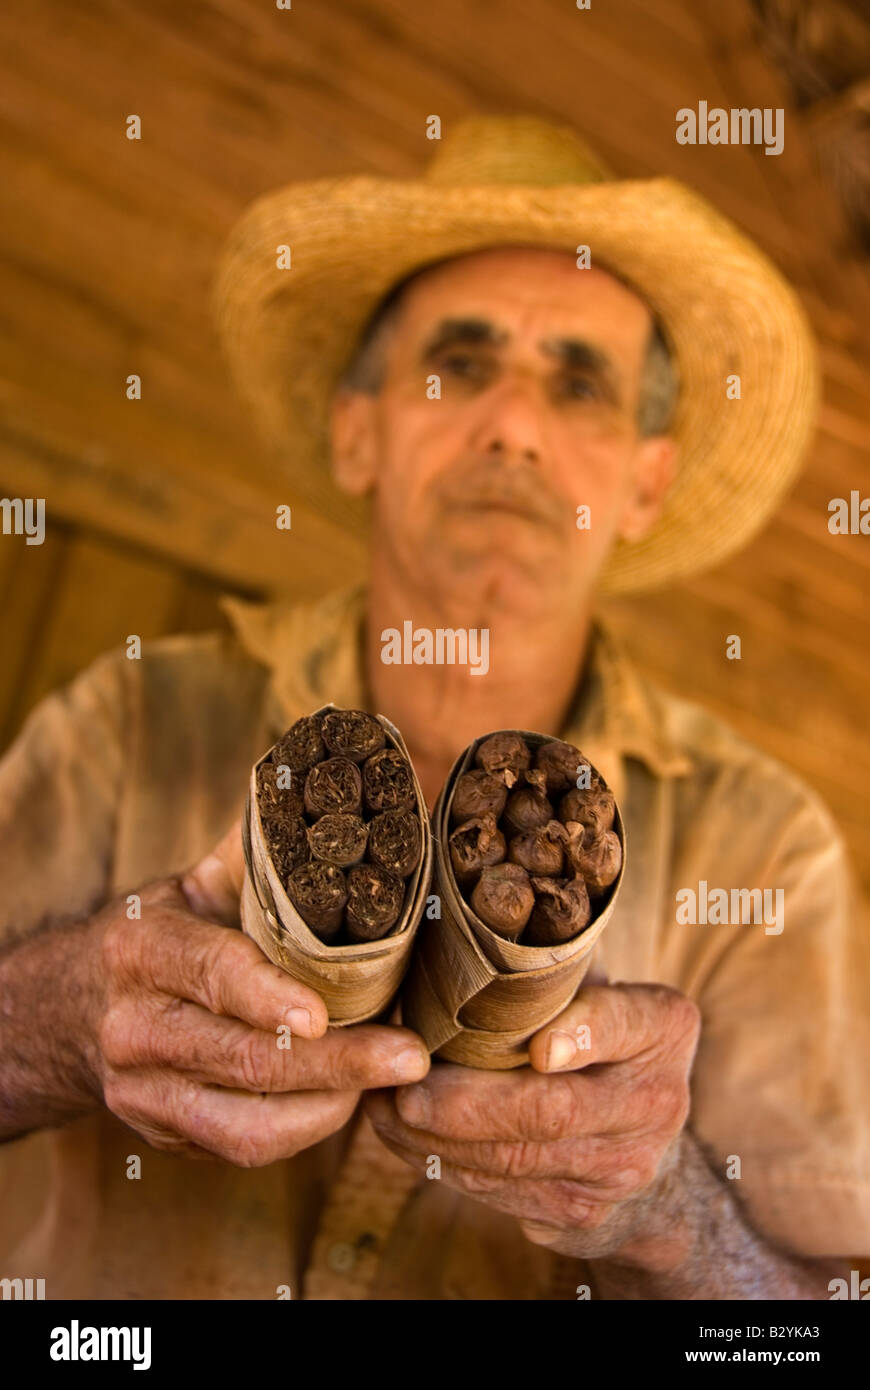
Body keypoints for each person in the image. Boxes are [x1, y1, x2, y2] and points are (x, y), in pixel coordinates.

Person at [1, 116, 868, 1301]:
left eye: (580, 383)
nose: (512, 423)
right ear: (360, 430)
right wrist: (59, 1017)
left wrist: (667, 1211)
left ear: (645, 482)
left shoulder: (768, 850)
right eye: (459, 365)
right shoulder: (136, 719)